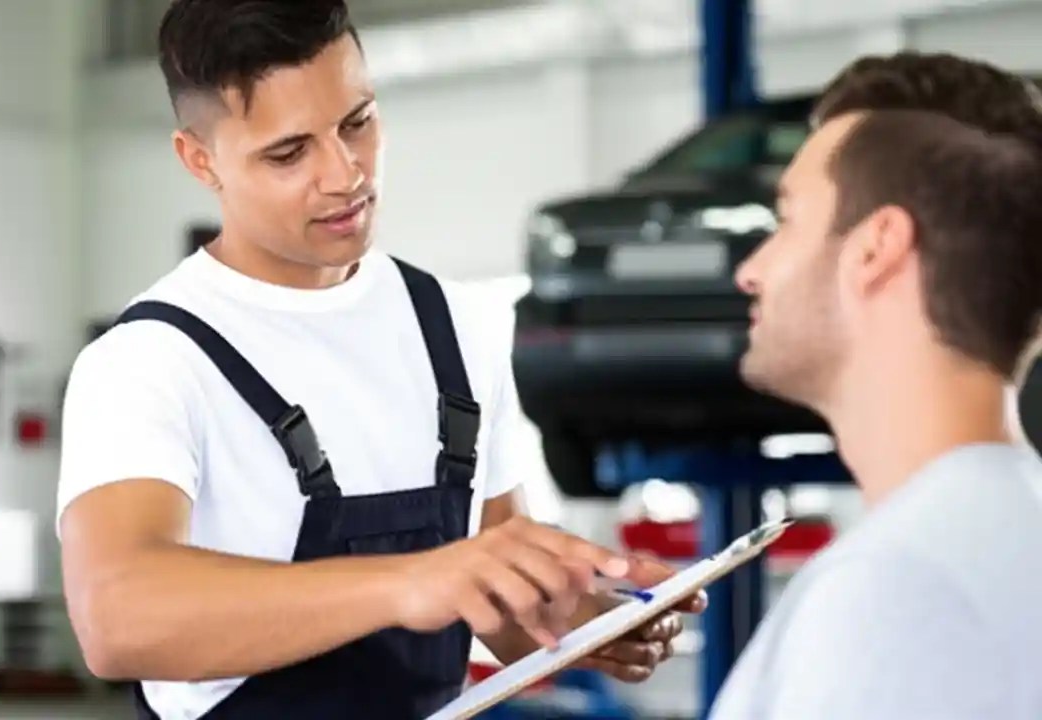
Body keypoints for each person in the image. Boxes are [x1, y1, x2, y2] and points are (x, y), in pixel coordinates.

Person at [55, 2, 703, 718]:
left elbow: (500, 603)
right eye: (288, 152)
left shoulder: (456, 328)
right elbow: (116, 617)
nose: (344, 174)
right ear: (199, 159)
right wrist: (411, 581)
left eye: (357, 122)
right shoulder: (150, 359)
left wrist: (600, 615)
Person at [709, 52, 1042, 719]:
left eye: (787, 220)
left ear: (876, 248)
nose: (752, 269)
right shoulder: (1008, 537)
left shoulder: (897, 591)